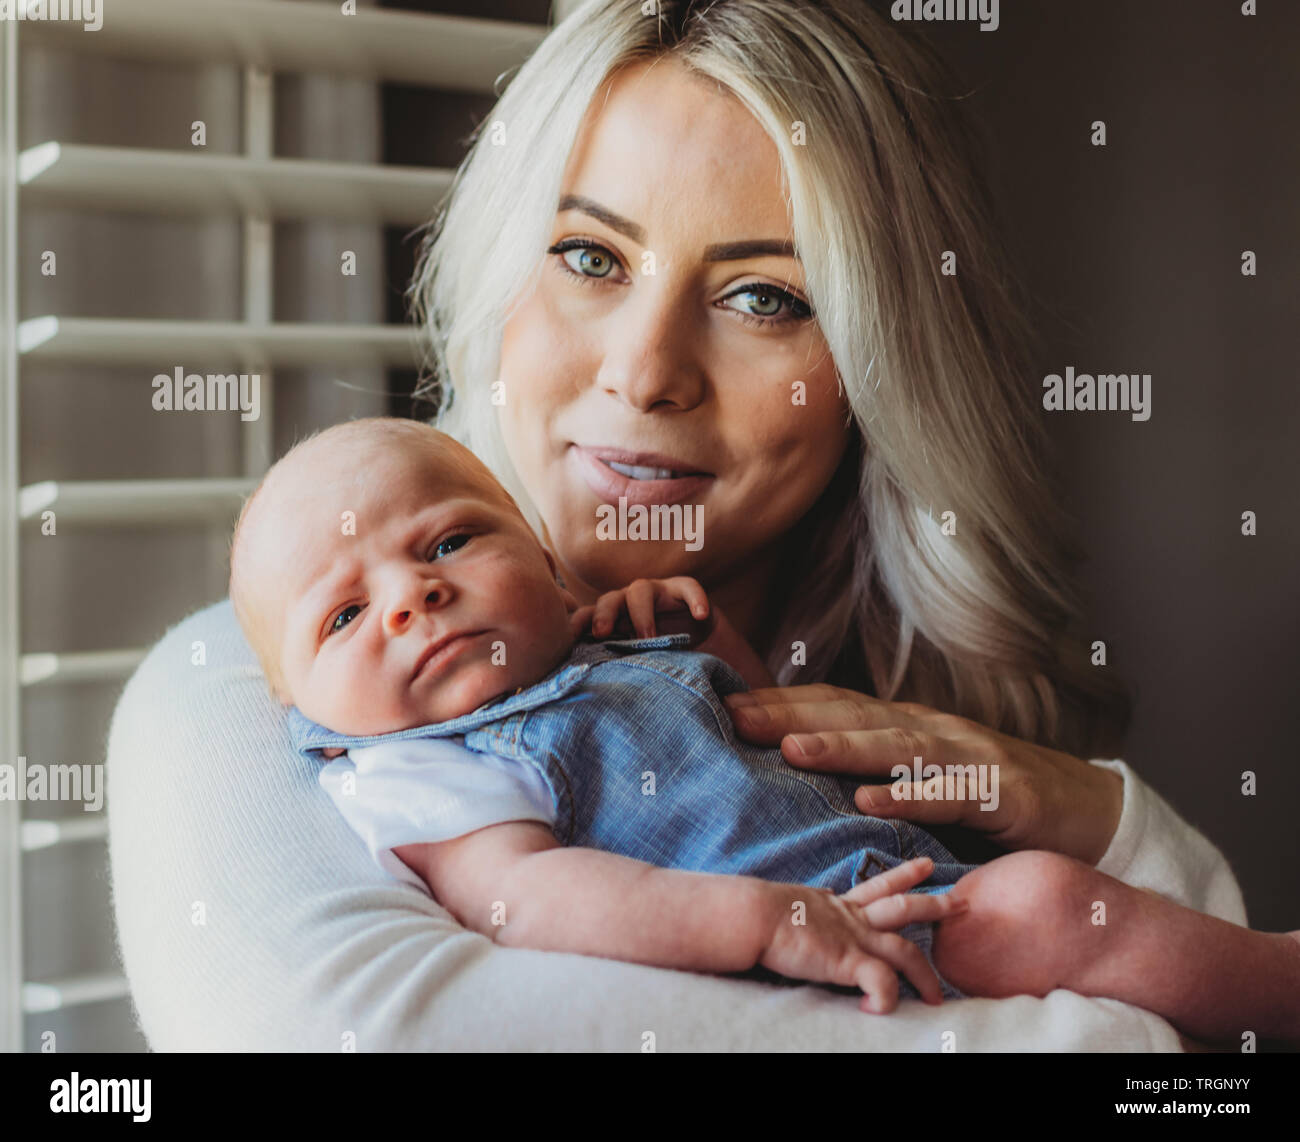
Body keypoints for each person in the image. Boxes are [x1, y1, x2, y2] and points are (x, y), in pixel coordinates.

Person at [108, 0, 1247, 1049]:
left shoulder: (894, 709)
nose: (646, 372)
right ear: (501, 282)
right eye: (588, 256)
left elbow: (1223, 1001)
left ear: (875, 368)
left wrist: (1099, 812)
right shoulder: (243, 685)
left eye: (763, 296)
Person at [224, 417, 1300, 1043]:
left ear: (547, 564)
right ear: (299, 707)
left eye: (450, 539)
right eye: (346, 613)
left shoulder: (604, 650)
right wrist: (768, 924)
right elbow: (534, 898)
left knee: (1055, 900)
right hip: (807, 946)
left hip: (889, 888)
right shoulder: (423, 771)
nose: (411, 597)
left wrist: (707, 639)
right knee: (1047, 901)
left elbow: (763, 728)